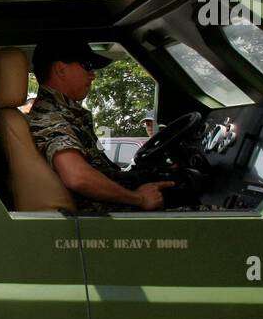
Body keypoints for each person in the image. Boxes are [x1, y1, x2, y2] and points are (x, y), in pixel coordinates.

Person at [27, 39, 173, 212]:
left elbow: (102, 172)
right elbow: (77, 176)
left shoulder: (66, 113)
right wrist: (139, 198)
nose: (93, 75)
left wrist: (146, 176)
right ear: (60, 69)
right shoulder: (50, 116)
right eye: (87, 65)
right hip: (103, 223)